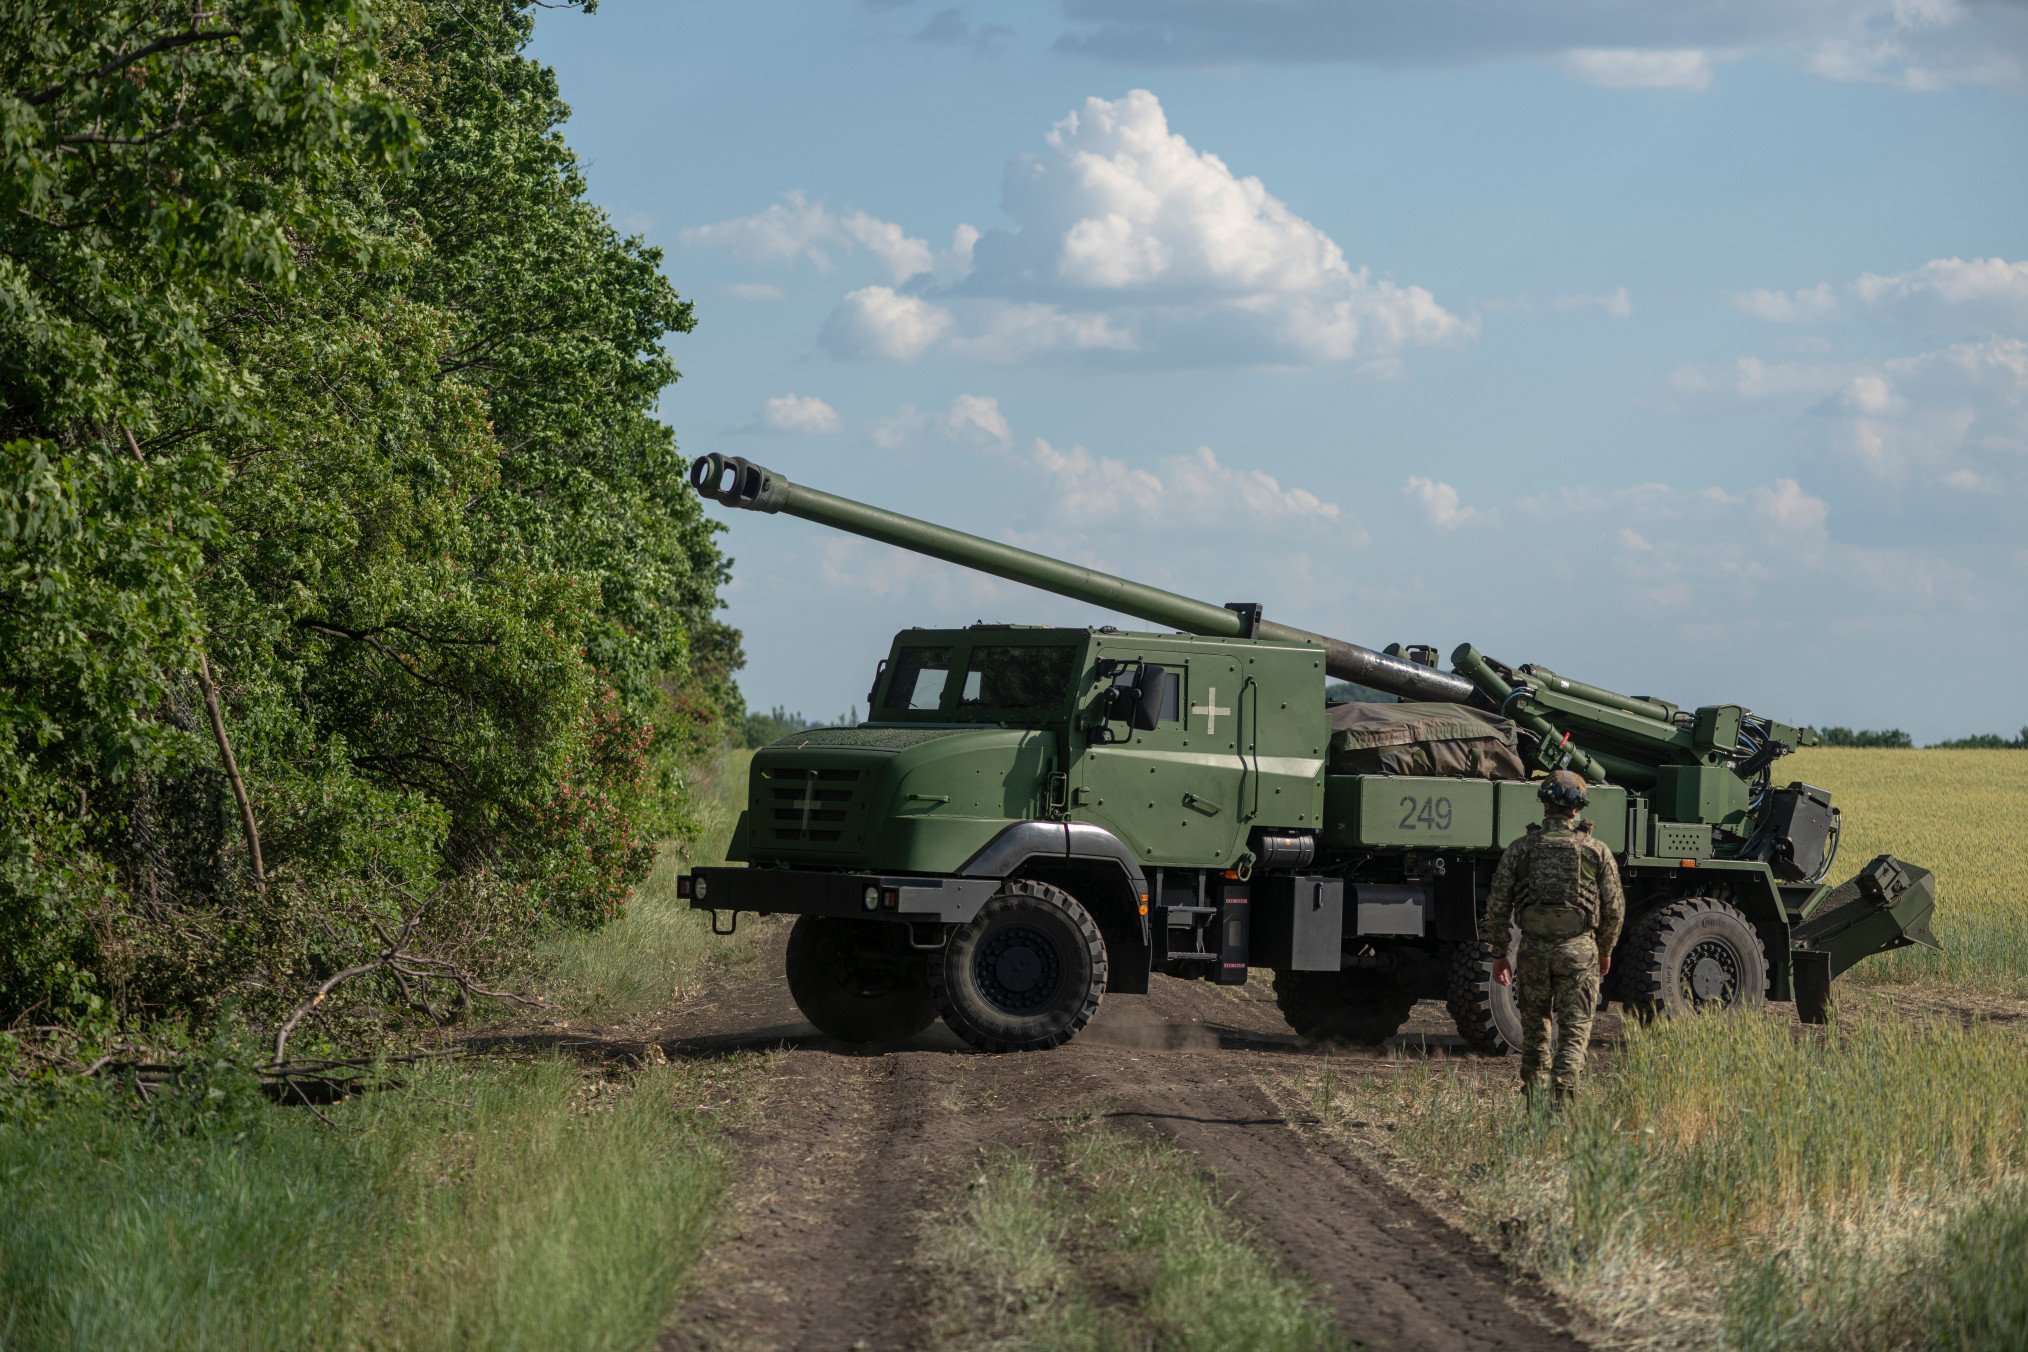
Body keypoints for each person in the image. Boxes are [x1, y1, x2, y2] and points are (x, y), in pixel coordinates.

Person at [1483, 769, 1625, 1105]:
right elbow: (1614, 909)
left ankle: (1535, 1103)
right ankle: (1563, 1100)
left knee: (1535, 1031)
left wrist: (1500, 953)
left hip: (1532, 950)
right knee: (1574, 1030)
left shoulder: (1520, 849)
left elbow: (1498, 905)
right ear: (1577, 808)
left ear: (1544, 804)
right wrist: (1605, 950)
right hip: (1580, 952)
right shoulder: (1596, 851)